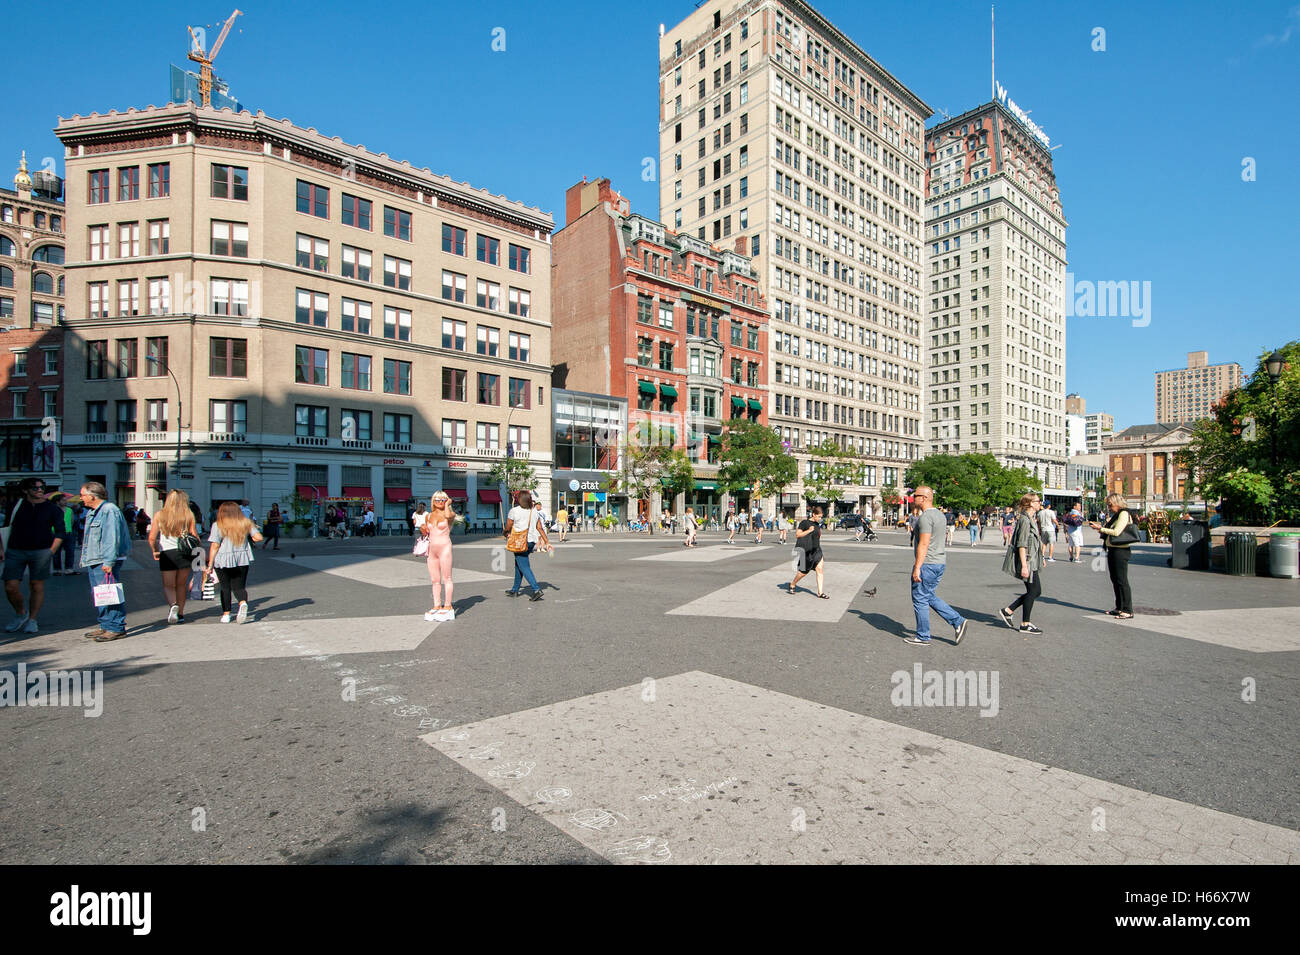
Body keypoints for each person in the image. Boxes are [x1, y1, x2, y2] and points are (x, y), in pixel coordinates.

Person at [904, 485, 969, 647]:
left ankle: (923, 635)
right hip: (939, 561)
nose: (914, 498)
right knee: (928, 595)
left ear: (924, 498)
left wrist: (917, 566)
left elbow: (924, 543)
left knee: (920, 598)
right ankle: (957, 621)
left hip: (928, 563)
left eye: (916, 496)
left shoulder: (925, 518)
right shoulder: (940, 515)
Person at [1, 477, 64, 635]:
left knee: (36, 585)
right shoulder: (15, 506)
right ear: (25, 490)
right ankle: (21, 613)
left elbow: (60, 532)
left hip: (42, 551)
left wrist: (51, 551)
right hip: (15, 550)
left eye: (42, 487)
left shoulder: (52, 508)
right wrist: (1, 549)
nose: (40, 490)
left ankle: (32, 619)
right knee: (10, 586)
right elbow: (3, 528)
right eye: (35, 488)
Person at [78, 481, 133, 641]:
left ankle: (116, 627)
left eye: (83, 495)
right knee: (101, 594)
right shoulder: (94, 511)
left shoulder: (109, 510)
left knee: (110, 593)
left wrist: (109, 561)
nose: (81, 498)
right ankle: (105, 624)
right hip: (95, 558)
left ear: (92, 496)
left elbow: (111, 537)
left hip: (104, 559)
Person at [205, 502, 263, 624]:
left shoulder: (218, 525)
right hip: (241, 558)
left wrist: (210, 564)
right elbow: (258, 537)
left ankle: (226, 614)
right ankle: (242, 602)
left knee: (225, 587)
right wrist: (251, 537)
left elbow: (215, 545)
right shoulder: (245, 523)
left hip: (223, 559)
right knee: (239, 586)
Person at [148, 489, 199, 625]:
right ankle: (181, 614)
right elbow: (195, 536)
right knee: (181, 585)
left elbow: (152, 537)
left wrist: (155, 550)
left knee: (169, 585)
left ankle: (173, 605)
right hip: (185, 553)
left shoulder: (160, 515)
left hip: (167, 553)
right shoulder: (188, 515)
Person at [998, 493, 1045, 634]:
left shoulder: (1031, 518)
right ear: (1030, 503)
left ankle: (1008, 610)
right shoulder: (1025, 520)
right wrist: (1024, 566)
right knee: (1034, 591)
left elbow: (1034, 542)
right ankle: (1025, 623)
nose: (1039, 503)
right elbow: (1022, 544)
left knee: (1035, 591)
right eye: (1037, 501)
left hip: (1033, 561)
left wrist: (1040, 558)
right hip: (1028, 561)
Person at [1090, 494, 1136, 619]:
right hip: (1113, 549)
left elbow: (1117, 532)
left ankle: (1127, 609)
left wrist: (1101, 529)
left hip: (1121, 551)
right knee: (1115, 580)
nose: (1109, 507)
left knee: (1122, 580)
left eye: (1110, 504)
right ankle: (1119, 607)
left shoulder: (1124, 514)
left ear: (1117, 503)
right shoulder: (1117, 515)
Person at [504, 490, 550, 601]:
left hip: (519, 542)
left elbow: (508, 526)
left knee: (524, 566)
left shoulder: (514, 511)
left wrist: (505, 533)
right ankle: (515, 589)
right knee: (519, 564)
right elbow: (539, 527)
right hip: (531, 542)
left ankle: (536, 589)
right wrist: (547, 542)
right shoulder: (533, 511)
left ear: (519, 499)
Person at [422, 492, 458, 621]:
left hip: (445, 548)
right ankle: (437, 605)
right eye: (437, 499)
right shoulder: (429, 515)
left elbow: (448, 515)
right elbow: (427, 531)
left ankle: (448, 606)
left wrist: (448, 504)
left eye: (443, 499)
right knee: (435, 580)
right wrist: (423, 528)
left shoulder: (450, 514)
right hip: (432, 549)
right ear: (433, 500)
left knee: (447, 578)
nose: (440, 501)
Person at [788, 506, 828, 598]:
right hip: (807, 552)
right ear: (814, 514)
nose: (820, 519)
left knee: (820, 570)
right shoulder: (804, 523)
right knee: (803, 572)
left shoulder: (817, 524)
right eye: (819, 517)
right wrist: (809, 531)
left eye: (821, 517)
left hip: (817, 550)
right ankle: (793, 584)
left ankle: (820, 593)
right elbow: (798, 535)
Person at [51, 493, 78, 574]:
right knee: (56, 552)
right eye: (63, 500)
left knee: (70, 551)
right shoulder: (53, 510)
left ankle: (69, 569)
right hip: (55, 533)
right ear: (57, 501)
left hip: (68, 532)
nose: (66, 501)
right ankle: (57, 569)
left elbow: (72, 521)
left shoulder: (69, 510)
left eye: (66, 500)